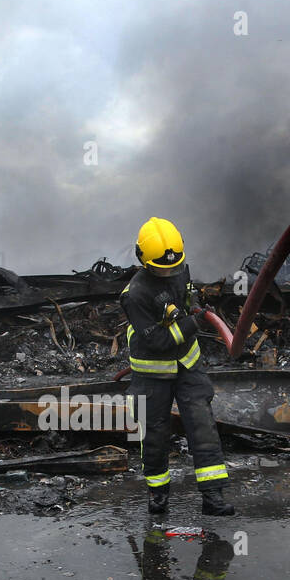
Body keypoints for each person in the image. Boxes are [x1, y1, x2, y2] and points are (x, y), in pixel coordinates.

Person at [121, 217, 234, 517]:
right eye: (163, 268)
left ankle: (213, 497)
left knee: (202, 425)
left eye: (175, 266)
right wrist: (192, 323)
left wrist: (194, 306)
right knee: (154, 434)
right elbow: (157, 340)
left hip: (188, 364)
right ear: (142, 259)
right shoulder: (135, 295)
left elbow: (187, 293)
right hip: (151, 373)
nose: (170, 272)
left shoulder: (178, 266)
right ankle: (158, 496)